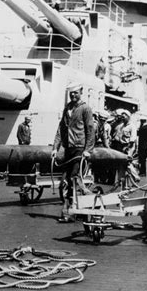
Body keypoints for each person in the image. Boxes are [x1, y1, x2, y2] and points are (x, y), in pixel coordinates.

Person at [52, 83, 94, 223]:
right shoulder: (67, 108)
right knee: (67, 180)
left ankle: (72, 212)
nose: (73, 96)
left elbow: (90, 130)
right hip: (69, 148)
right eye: (71, 94)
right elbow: (61, 129)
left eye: (75, 93)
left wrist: (88, 150)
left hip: (79, 148)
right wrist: (55, 148)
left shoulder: (85, 108)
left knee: (73, 178)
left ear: (81, 92)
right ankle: (75, 209)